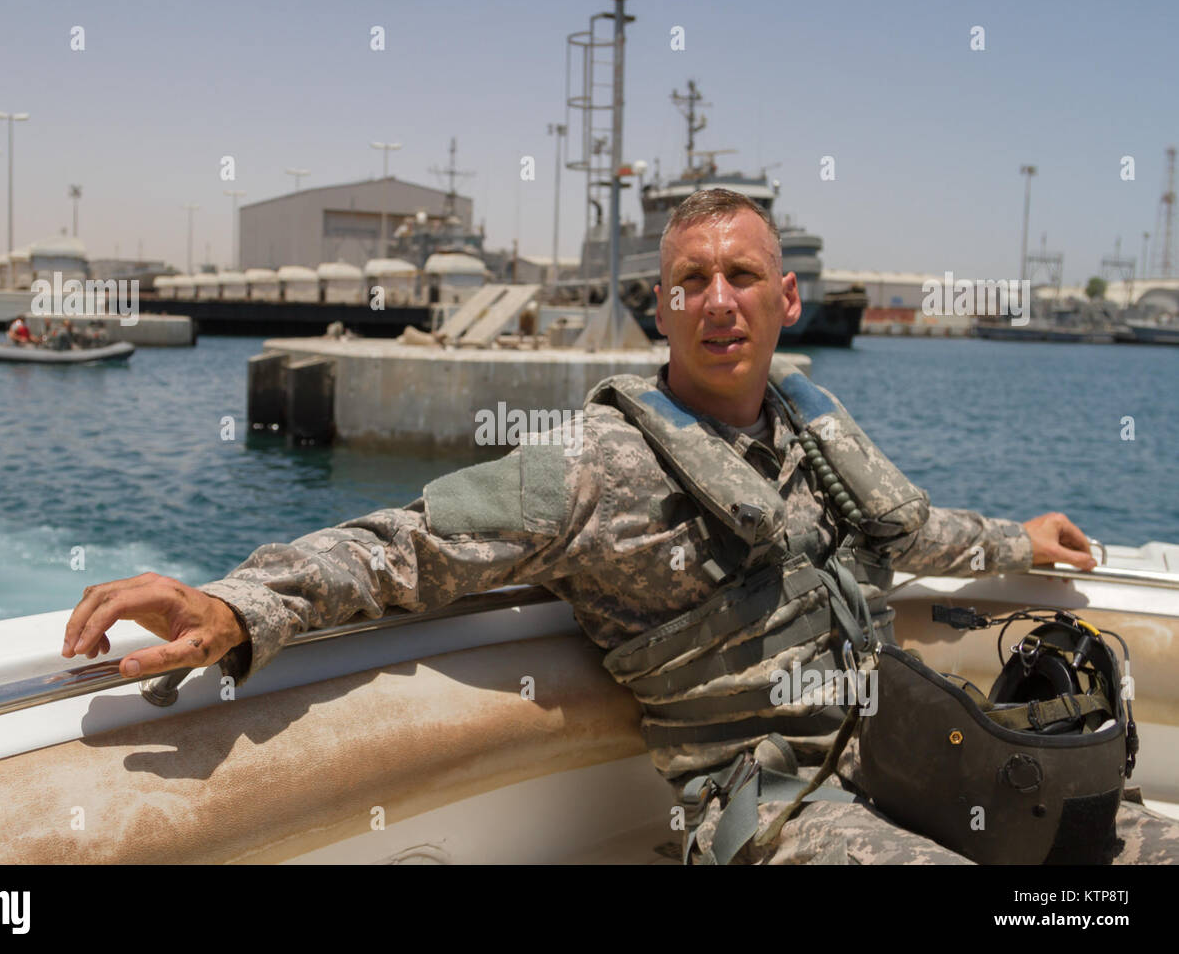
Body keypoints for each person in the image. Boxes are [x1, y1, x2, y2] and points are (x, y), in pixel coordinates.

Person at [62, 188, 1179, 864]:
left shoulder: (816, 422)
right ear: (660, 307)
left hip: (895, 747)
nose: (717, 299)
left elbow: (913, 529)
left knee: (1134, 838)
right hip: (776, 810)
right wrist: (230, 603)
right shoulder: (593, 465)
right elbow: (406, 543)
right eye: (690, 280)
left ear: (785, 300)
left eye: (742, 275)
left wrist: (1016, 541)